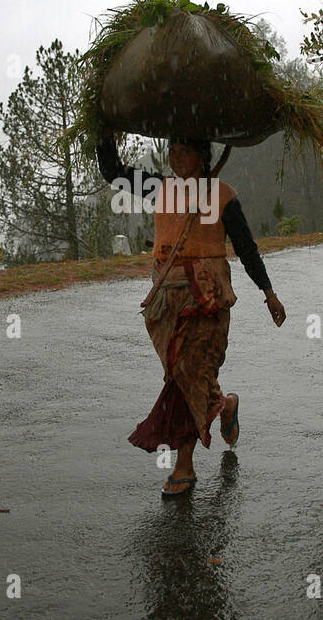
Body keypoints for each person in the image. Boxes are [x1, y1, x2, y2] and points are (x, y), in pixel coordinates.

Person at [97, 133, 286, 497]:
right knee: (185, 376)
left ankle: (184, 466)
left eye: (185, 149)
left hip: (208, 298)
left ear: (203, 154)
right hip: (166, 302)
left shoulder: (223, 196)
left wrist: (269, 294)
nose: (176, 157)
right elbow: (112, 172)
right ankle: (225, 404)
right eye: (172, 150)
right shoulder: (159, 188)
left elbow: (247, 249)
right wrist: (104, 131)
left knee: (189, 375)